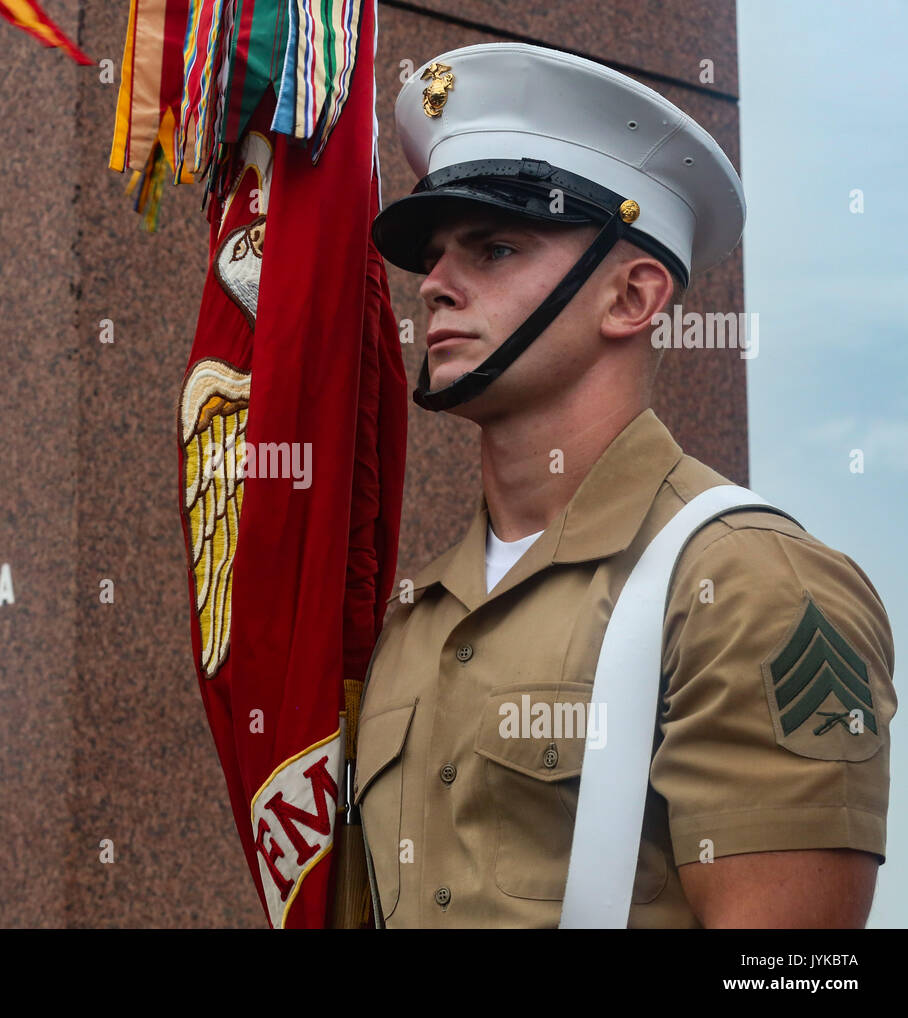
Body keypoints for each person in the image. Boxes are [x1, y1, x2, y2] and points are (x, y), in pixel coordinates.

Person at [353, 42, 895, 928]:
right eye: (435, 257)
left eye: (493, 248)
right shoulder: (417, 619)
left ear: (632, 297)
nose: (437, 286)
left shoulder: (753, 586)